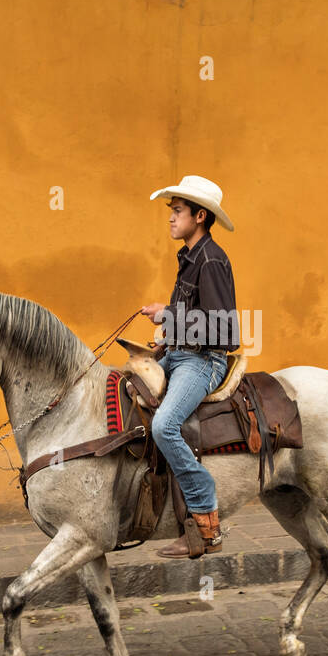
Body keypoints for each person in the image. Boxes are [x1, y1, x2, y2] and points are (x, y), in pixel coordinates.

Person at [139, 175, 241, 559]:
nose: (170, 218)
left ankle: (205, 519)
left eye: (177, 212)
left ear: (200, 216)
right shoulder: (189, 257)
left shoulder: (212, 260)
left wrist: (168, 314)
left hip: (201, 363)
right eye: (171, 211)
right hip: (180, 352)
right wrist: (166, 339)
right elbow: (193, 316)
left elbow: (224, 329)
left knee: (164, 425)